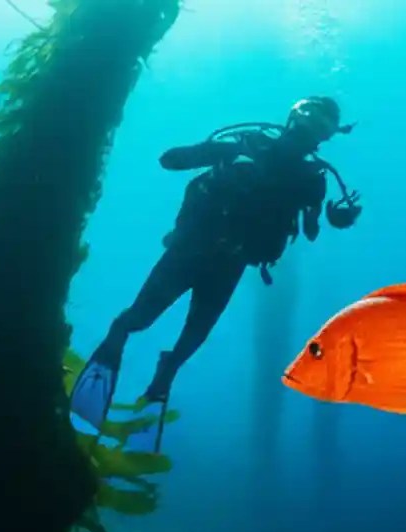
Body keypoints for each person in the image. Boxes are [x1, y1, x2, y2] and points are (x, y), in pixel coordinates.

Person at [70, 96, 364, 446]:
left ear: (327, 137)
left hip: (230, 265)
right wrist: (220, 157)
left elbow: (312, 229)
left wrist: (338, 219)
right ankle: (114, 349)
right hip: (190, 249)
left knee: (193, 337)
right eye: (312, 123)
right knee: (137, 319)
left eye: (322, 129)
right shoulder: (248, 144)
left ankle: (166, 372)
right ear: (294, 120)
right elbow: (170, 160)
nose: (312, 134)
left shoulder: (312, 179)